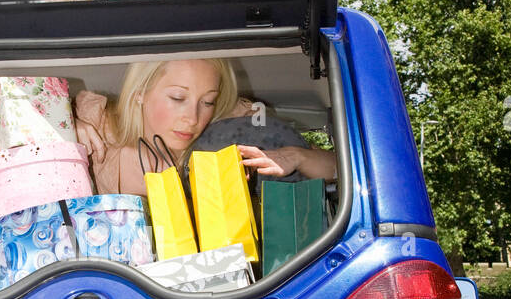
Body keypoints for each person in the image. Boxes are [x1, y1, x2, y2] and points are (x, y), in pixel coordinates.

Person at [73, 57, 336, 196]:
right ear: (140, 91)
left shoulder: (229, 127)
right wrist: (63, 135)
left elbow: (340, 168)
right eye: (177, 98)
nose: (193, 117)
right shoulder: (96, 125)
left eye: (208, 101)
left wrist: (296, 155)